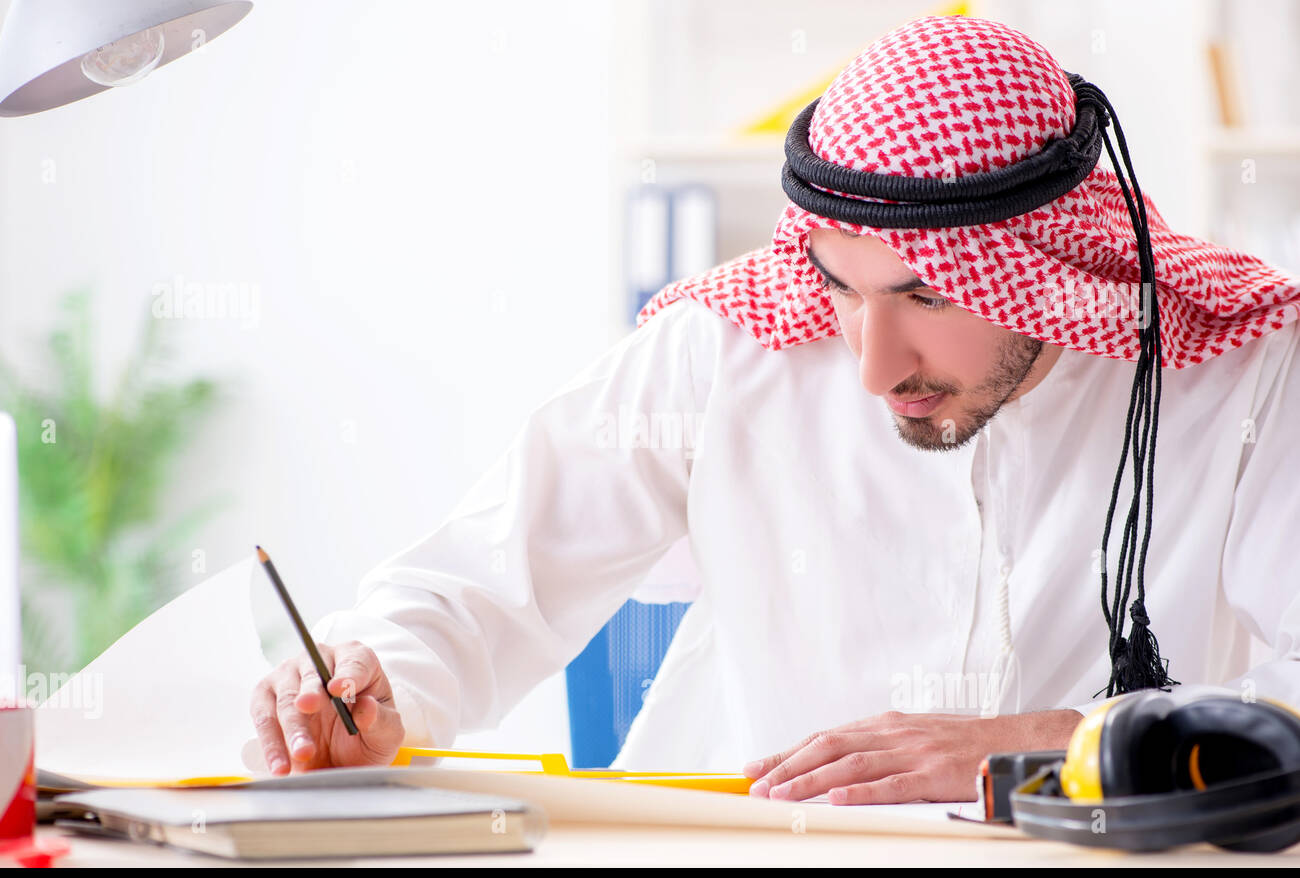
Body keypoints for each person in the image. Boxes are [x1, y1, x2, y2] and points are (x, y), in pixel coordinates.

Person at [250, 15, 1300, 804]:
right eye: (840, 287)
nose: (870, 365)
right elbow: (483, 584)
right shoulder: (723, 350)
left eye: (926, 294)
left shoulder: (1242, 370)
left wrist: (1053, 741)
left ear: (1049, 258)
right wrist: (376, 685)